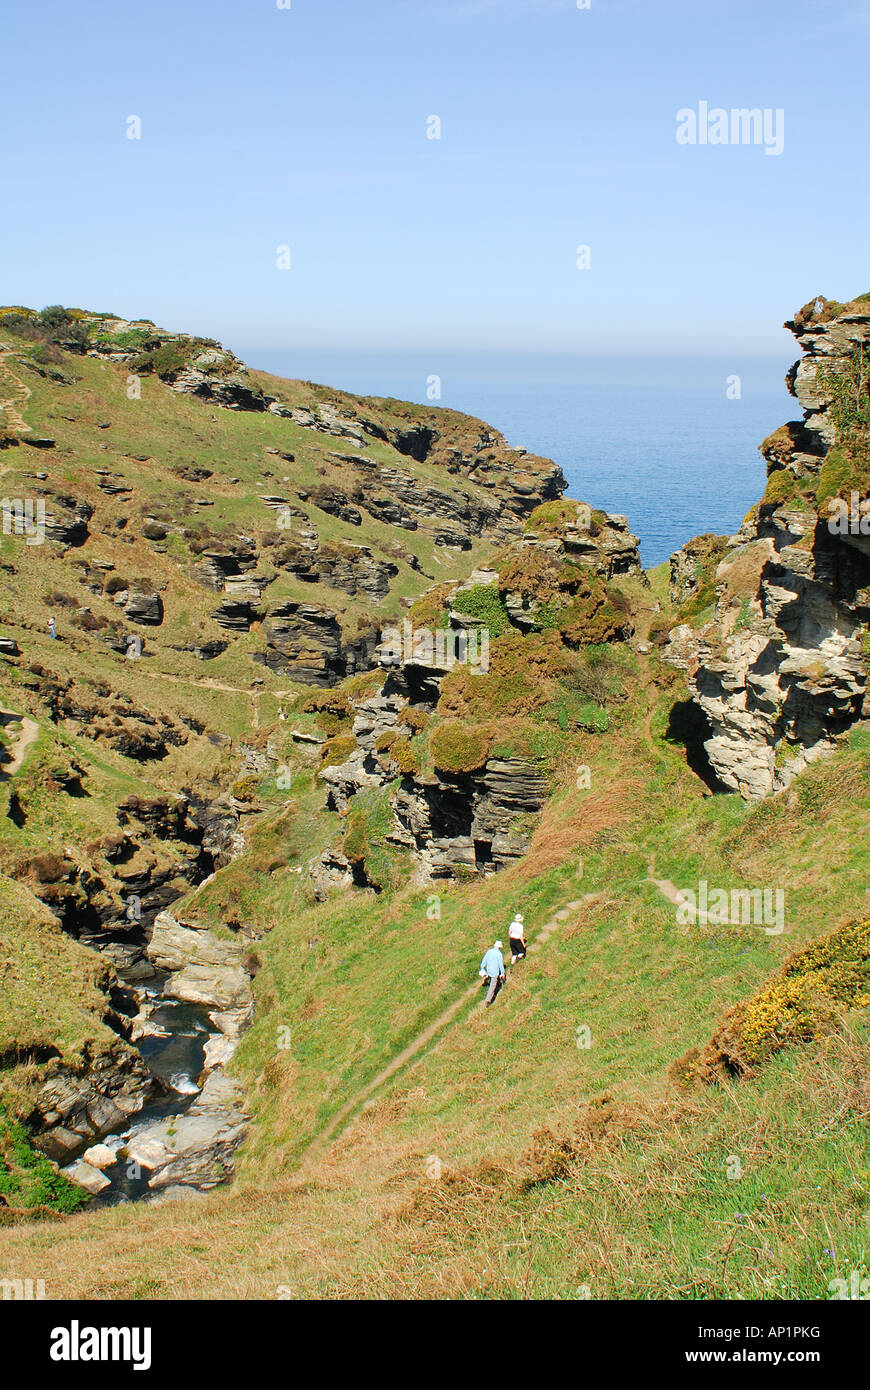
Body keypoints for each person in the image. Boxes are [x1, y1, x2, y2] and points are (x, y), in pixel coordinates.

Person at [479, 939, 506, 1007]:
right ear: (499, 947)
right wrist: (502, 973)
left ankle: (490, 996)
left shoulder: (489, 951)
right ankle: (488, 1000)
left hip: (489, 970)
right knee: (492, 986)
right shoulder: (499, 954)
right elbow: (500, 965)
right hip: (495, 972)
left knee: (492, 982)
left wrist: (482, 967)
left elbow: (484, 960)